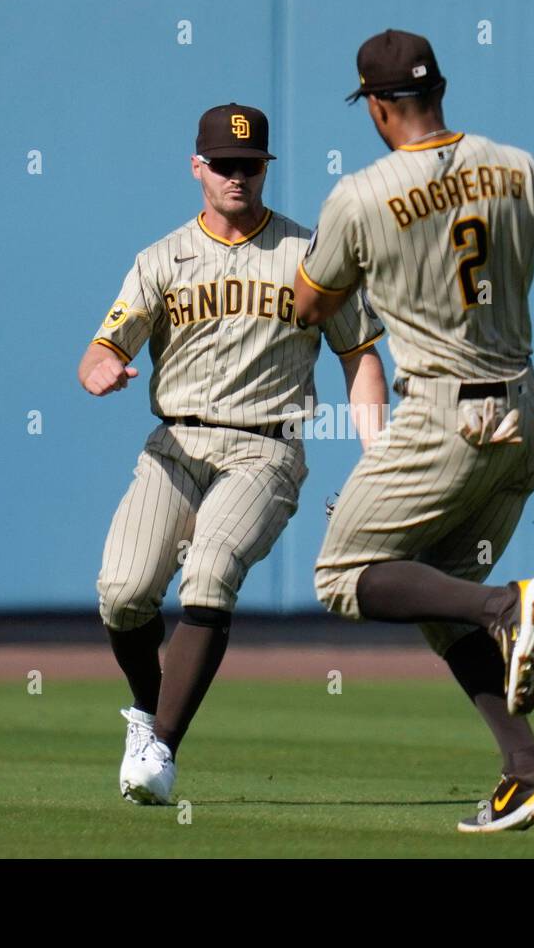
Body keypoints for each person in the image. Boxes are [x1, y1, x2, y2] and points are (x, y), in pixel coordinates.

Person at [293, 30, 534, 833]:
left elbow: (309, 305)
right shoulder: (513, 165)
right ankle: (528, 770)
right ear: (441, 92)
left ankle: (505, 606)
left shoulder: (357, 195)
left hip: (443, 413)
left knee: (342, 573)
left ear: (380, 109)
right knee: (437, 600)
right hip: (525, 414)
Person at [78, 102, 387, 805]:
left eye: (250, 165)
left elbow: (360, 354)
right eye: (224, 165)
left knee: (209, 572)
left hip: (264, 447)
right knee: (123, 593)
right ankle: (149, 712)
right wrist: (98, 367)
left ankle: (160, 748)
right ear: (198, 168)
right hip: (176, 444)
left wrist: (376, 455)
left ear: (266, 168)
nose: (237, 176)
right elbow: (106, 342)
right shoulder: (160, 259)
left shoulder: (313, 256)